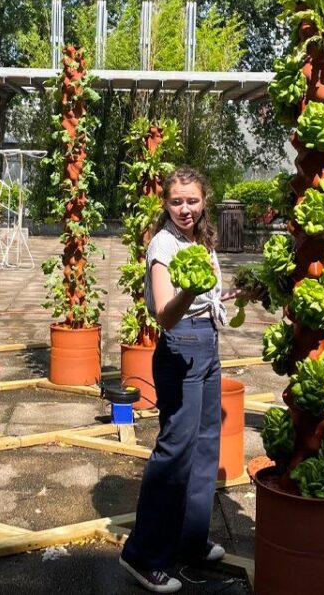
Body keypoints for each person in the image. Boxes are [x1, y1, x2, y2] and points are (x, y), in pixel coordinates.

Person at [119, 166, 241, 593]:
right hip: (181, 348)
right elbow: (165, 316)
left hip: (208, 343)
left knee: (206, 447)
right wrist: (189, 290)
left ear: (204, 200)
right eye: (176, 201)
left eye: (192, 200)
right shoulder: (163, 244)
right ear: (165, 204)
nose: (184, 208)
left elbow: (205, 296)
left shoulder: (199, 240)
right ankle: (142, 554)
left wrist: (233, 295)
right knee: (175, 452)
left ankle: (189, 540)